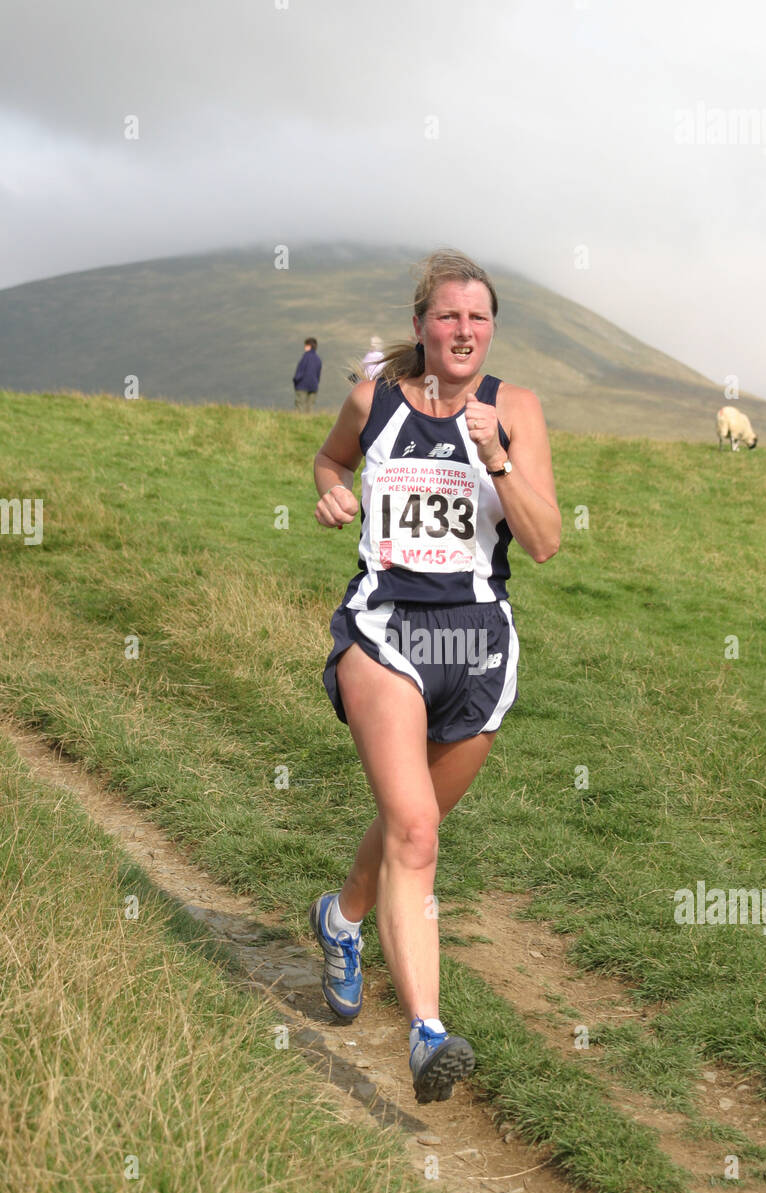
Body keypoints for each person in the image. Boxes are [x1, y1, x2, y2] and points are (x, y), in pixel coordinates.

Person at [309, 249, 560, 1104]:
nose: (463, 331)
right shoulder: (372, 399)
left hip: (478, 649)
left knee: (406, 825)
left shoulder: (515, 409)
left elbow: (545, 540)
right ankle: (427, 1032)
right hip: (384, 632)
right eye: (447, 316)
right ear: (420, 325)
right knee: (416, 828)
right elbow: (330, 459)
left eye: (478, 318)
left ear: (492, 329)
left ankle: (341, 921)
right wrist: (330, 489)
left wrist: (496, 460)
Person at [293, 337, 322, 411]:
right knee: (309, 408)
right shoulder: (318, 359)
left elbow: (300, 372)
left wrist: (295, 381)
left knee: (300, 406)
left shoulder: (305, 357)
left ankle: (299, 422)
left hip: (302, 386)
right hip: (313, 386)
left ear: (309, 346)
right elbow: (318, 375)